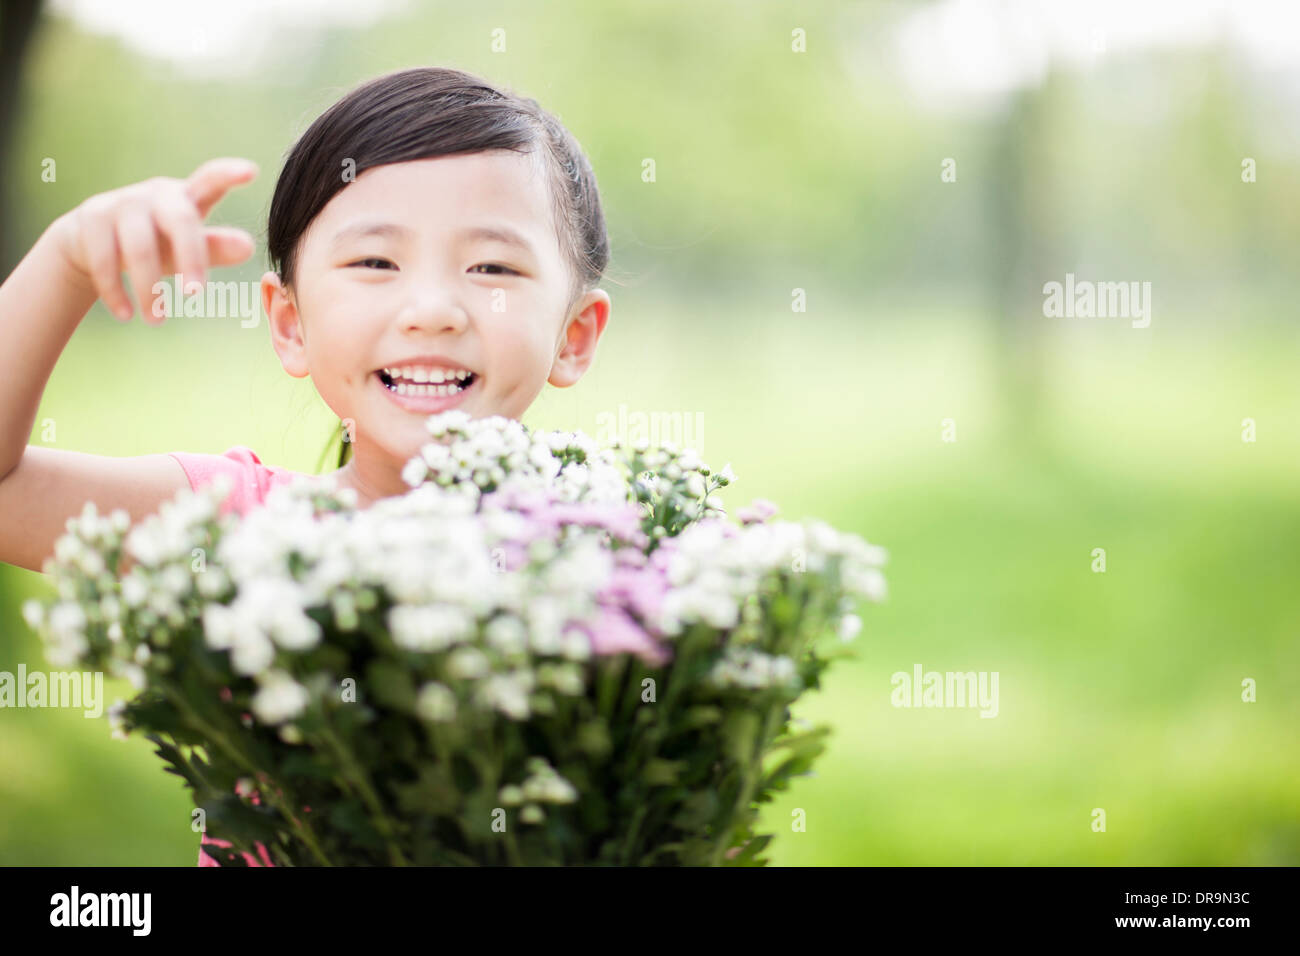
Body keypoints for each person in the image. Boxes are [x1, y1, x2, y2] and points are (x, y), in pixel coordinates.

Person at [0, 65, 612, 865]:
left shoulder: (618, 577)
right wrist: (68, 261)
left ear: (575, 334)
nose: (432, 309)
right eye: (374, 264)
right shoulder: (230, 530)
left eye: (492, 268)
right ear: (289, 323)